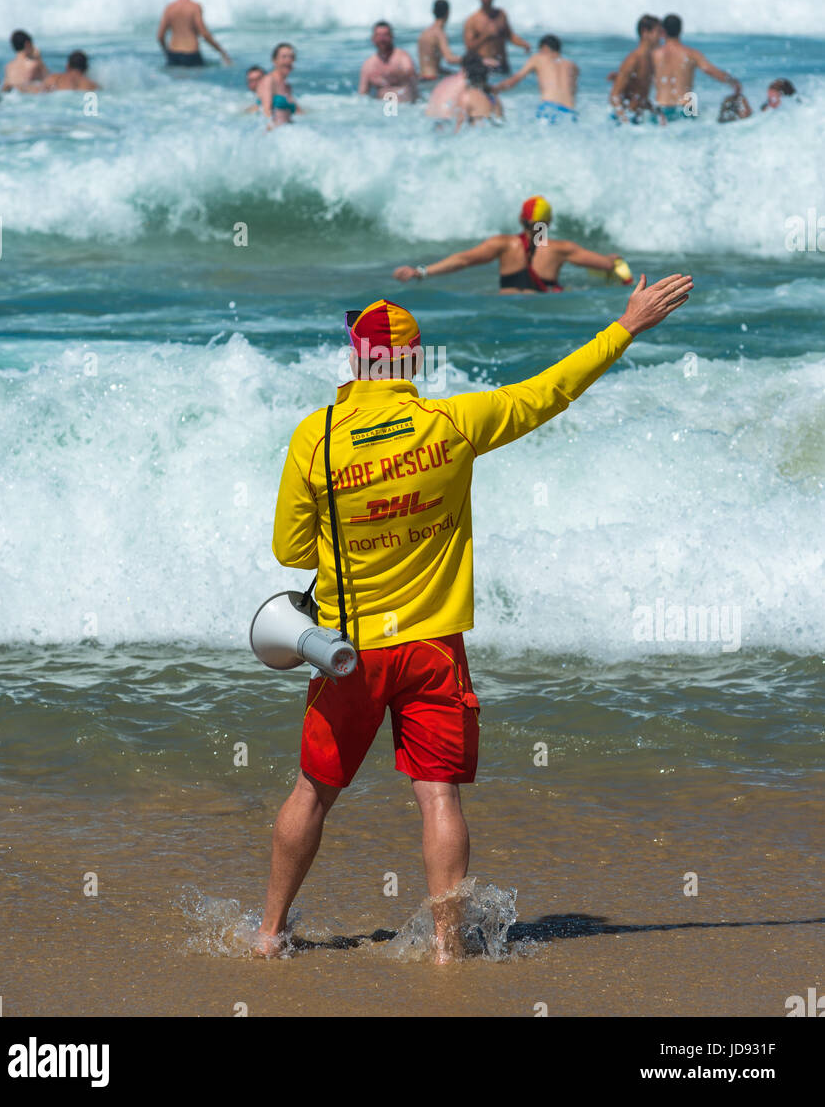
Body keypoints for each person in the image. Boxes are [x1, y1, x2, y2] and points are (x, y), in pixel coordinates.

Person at [257, 275, 693, 960]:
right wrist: (625, 326)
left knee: (313, 792)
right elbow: (548, 391)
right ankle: (444, 947)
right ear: (414, 362)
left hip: (349, 652)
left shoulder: (317, 437)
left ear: (355, 361)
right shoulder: (454, 424)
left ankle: (267, 934)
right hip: (433, 649)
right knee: (439, 800)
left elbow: (289, 549)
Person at [395, 195, 631, 294]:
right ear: (548, 222)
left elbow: (463, 260)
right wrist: (612, 259)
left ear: (521, 219)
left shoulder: (503, 244)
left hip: (504, 300)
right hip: (543, 303)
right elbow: (607, 265)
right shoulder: (561, 249)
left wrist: (421, 271)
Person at [652, 15, 741, 121]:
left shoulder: (654, 55)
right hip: (686, 108)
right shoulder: (691, 54)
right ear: (681, 30)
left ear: (663, 31)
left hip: (660, 110)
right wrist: (733, 82)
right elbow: (709, 70)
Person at [493, 34, 578, 121]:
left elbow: (516, 79)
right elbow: (572, 92)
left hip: (549, 108)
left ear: (545, 48)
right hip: (570, 112)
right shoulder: (572, 66)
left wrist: (495, 88)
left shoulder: (538, 58)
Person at [156, 0, 232, 68]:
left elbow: (160, 36)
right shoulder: (195, 7)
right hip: (191, 54)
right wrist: (221, 51)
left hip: (173, 54)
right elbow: (204, 33)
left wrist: (167, 53)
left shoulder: (170, 8)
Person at [462, 0, 530, 74]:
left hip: (502, 64)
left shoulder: (501, 15)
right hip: (484, 65)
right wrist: (485, 36)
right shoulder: (472, 20)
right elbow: (469, 47)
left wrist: (523, 44)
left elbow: (509, 35)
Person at [609, 15, 663, 123]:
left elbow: (640, 94)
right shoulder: (634, 59)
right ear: (645, 32)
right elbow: (614, 95)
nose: (661, 37)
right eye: (658, 32)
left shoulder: (650, 60)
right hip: (626, 119)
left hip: (636, 118)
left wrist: (657, 113)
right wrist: (624, 120)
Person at [358, 22, 419, 104]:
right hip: (380, 109)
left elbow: (412, 78)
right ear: (373, 39)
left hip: (405, 107)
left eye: (385, 35)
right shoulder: (368, 65)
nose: (382, 39)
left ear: (392, 37)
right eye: (378, 35)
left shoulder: (402, 58)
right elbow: (362, 95)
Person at [453, 52, 503, 129]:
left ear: (465, 74)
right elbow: (501, 121)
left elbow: (459, 127)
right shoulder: (494, 97)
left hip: (475, 136)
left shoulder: (466, 96)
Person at [257, 44, 301, 128]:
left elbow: (298, 112)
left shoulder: (287, 86)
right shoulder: (269, 80)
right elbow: (266, 112)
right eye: (284, 57)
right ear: (274, 60)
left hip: (287, 130)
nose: (288, 60)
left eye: (291, 57)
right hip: (274, 132)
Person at [418, 0, 461, 81]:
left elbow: (431, 64)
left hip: (421, 78)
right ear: (448, 13)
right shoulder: (439, 34)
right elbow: (449, 59)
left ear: (433, 11)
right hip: (432, 79)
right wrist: (474, 60)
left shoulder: (424, 33)